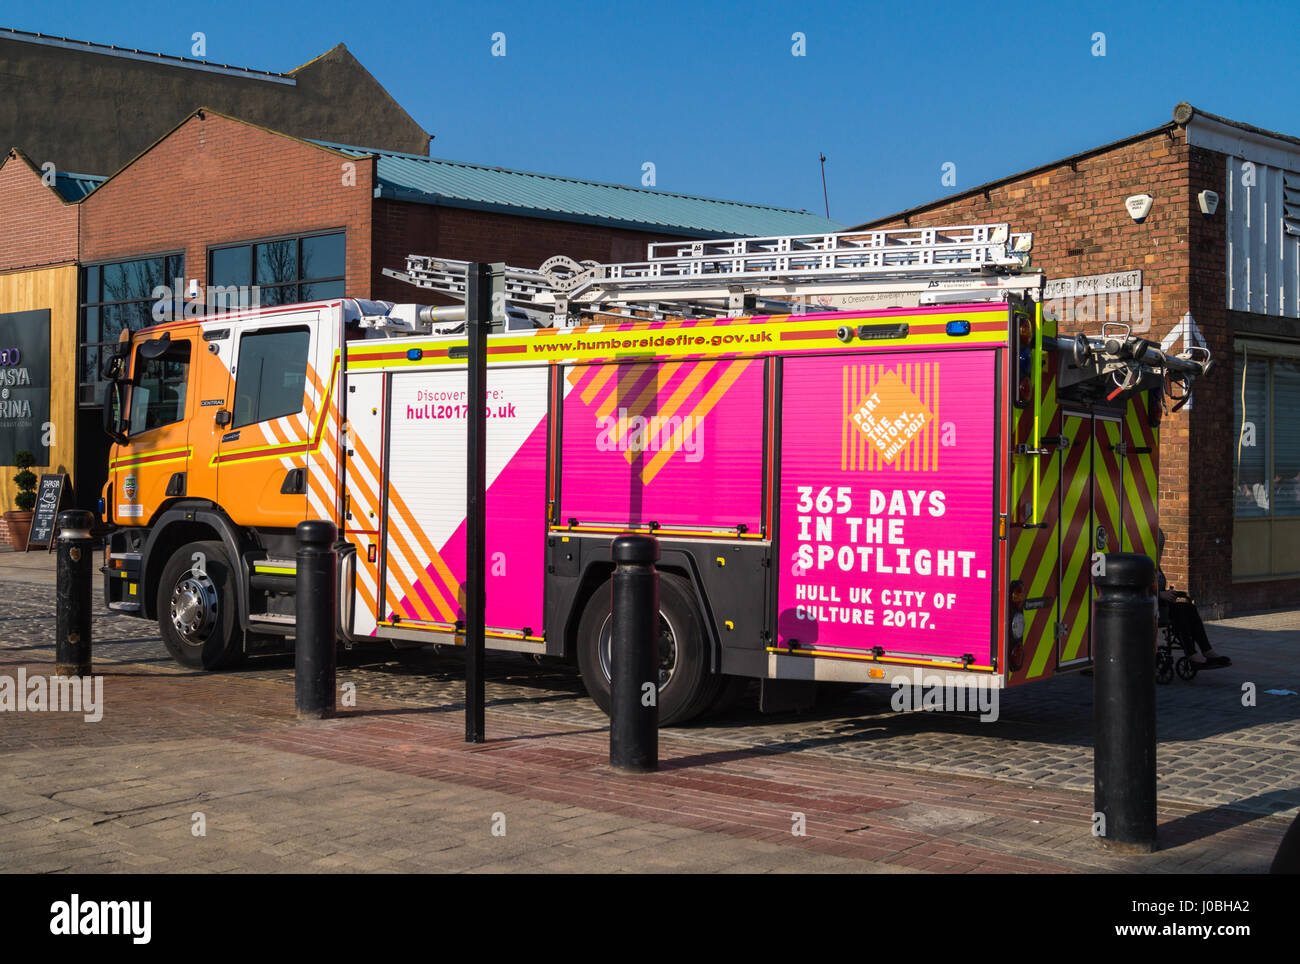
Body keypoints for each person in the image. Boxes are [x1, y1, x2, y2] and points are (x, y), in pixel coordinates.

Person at [1157, 529, 1230, 667]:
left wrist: (1168, 593)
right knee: (1179, 613)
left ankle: (1206, 649)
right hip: (1152, 606)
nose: (1160, 551)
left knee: (1189, 608)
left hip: (1162, 604)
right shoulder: (1143, 564)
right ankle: (1192, 654)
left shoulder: (1156, 566)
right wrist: (1160, 594)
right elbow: (1139, 589)